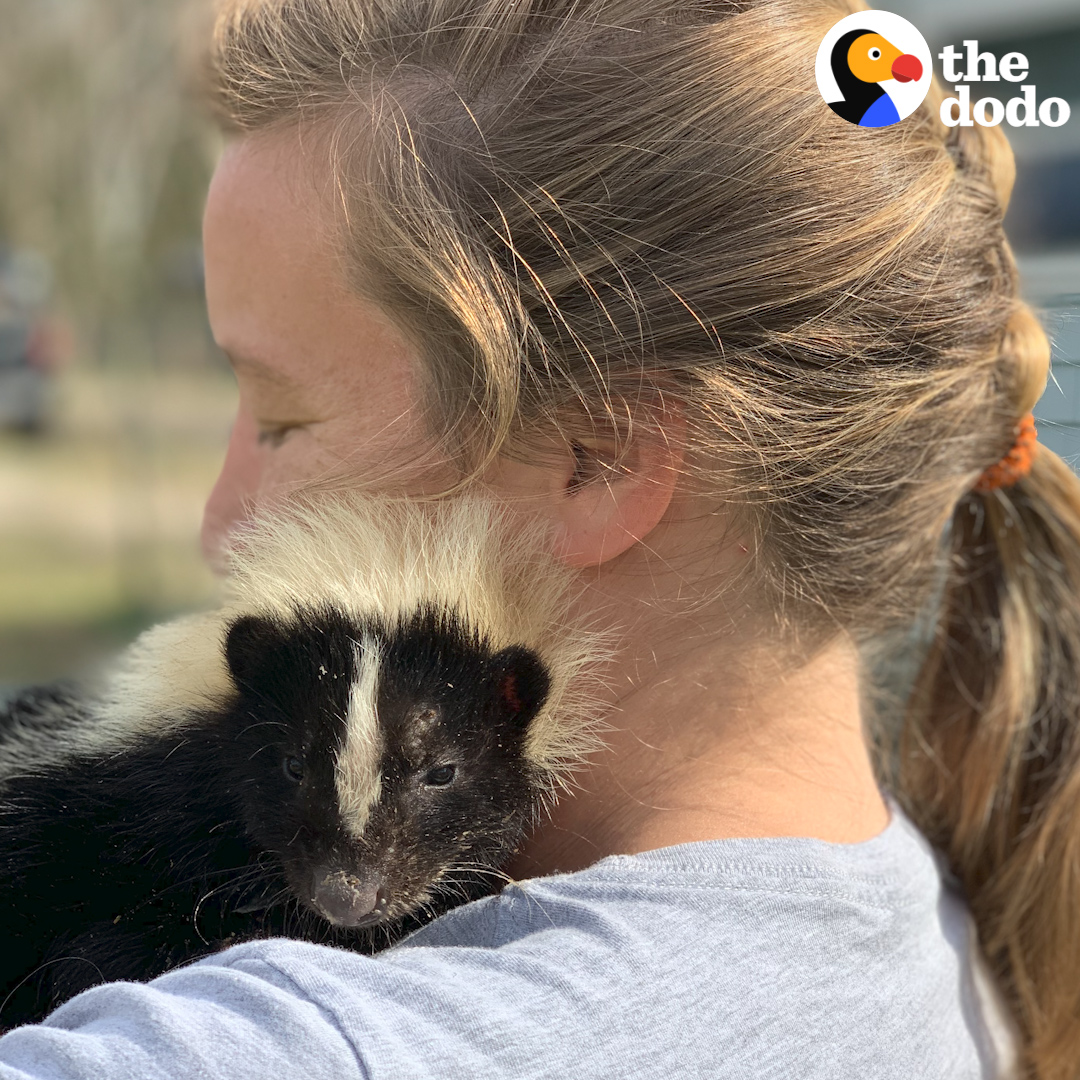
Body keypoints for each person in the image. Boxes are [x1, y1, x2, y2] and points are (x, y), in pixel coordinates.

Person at [1, 0, 1077, 1076]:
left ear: (597, 458)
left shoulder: (289, 1047)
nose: (224, 522)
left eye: (283, 422)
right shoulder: (928, 927)